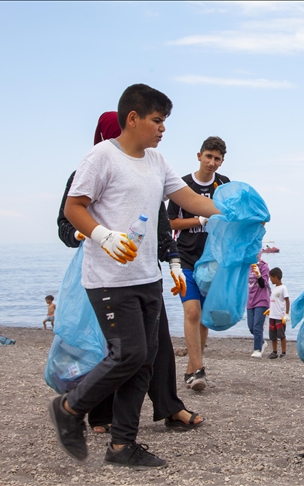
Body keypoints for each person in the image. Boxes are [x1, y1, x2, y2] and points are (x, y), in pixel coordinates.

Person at [50, 84, 219, 469]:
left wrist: (230, 210)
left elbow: (187, 199)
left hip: (146, 276)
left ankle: (123, 446)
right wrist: (102, 235)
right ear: (133, 118)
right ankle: (68, 408)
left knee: (145, 361)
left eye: (164, 122)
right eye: (157, 121)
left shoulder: (157, 161)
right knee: (129, 354)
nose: (162, 129)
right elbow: (73, 208)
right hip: (109, 277)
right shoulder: (101, 157)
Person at [167, 136, 231, 391]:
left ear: (222, 161)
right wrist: (200, 220)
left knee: (203, 318)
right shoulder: (182, 185)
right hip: (184, 258)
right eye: (208, 156)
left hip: (212, 262)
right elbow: (170, 223)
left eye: (217, 159)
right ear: (199, 155)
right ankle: (198, 369)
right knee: (192, 311)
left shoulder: (224, 185)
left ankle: (192, 369)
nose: (212, 162)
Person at [247, 252, 271, 358]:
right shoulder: (247, 266)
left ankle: (257, 350)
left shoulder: (264, 266)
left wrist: (258, 274)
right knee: (251, 327)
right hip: (250, 300)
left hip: (261, 300)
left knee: (257, 326)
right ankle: (261, 342)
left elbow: (263, 285)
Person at [267, 267, 290, 359]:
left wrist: (287, 314)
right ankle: (274, 351)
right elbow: (273, 300)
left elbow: (287, 301)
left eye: (271, 278)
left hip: (280, 316)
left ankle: (283, 352)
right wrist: (269, 309)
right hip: (272, 315)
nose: (270, 280)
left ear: (275, 277)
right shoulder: (273, 288)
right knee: (272, 335)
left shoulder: (283, 288)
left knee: (281, 334)